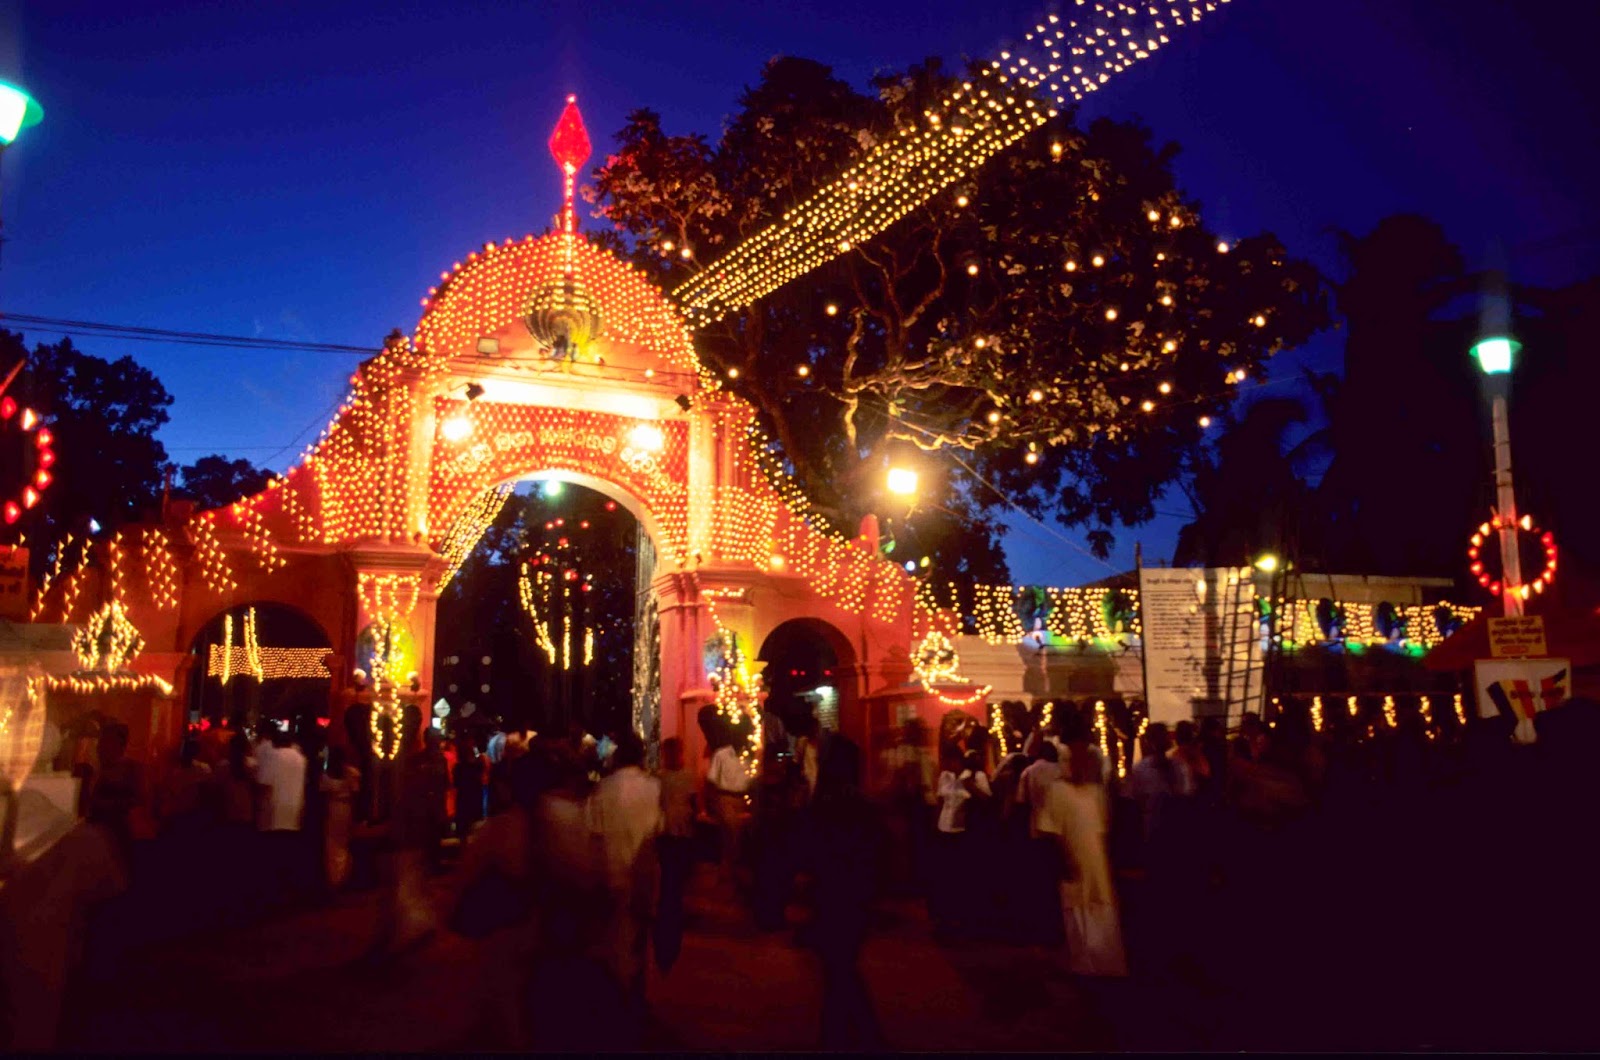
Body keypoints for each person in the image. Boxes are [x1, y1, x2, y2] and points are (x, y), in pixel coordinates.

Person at [808, 735, 886, 1049]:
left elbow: (812, 849)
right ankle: (846, 1032)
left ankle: (851, 1034)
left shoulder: (825, 802)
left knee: (838, 967)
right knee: (841, 964)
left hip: (832, 894)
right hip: (856, 895)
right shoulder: (862, 803)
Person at [587, 730, 662, 1032]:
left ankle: (614, 1000)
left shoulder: (603, 789)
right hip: (643, 874)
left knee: (612, 939)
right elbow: (660, 830)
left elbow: (593, 834)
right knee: (640, 939)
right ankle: (636, 999)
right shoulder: (654, 788)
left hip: (610, 871)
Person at [1046, 716, 1127, 976]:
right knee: (1079, 921)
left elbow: (1103, 834)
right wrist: (1066, 863)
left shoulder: (1096, 794)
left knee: (1103, 919)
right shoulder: (1057, 791)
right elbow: (1052, 835)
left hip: (1098, 872)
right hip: (1075, 872)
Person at [932, 748, 990, 939]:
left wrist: (969, 785)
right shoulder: (945, 777)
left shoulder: (975, 776)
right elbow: (941, 802)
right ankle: (945, 919)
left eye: (951, 761)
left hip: (963, 834)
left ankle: (963, 920)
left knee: (961, 878)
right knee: (945, 878)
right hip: (944, 830)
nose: (949, 765)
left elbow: (987, 800)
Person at [252, 722, 307, 906]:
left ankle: (272, 895)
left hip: (273, 813)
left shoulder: (273, 757)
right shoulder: (300, 758)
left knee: (272, 857)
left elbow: (264, 784)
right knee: (287, 854)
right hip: (293, 811)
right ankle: (288, 892)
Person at [654, 736, 696, 974]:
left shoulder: (667, 777)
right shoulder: (662, 778)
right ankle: (673, 908)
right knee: (672, 875)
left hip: (678, 830)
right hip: (670, 831)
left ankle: (672, 907)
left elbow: (692, 801)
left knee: (675, 875)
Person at [85, 721, 145, 870]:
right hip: (96, 833)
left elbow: (139, 799)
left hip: (117, 832)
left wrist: (107, 804)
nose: (101, 747)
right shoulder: (94, 768)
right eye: (101, 741)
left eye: (106, 741)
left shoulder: (131, 768)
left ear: (120, 745)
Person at [705, 719, 753, 889]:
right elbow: (711, 781)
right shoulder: (721, 754)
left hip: (743, 800)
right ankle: (730, 872)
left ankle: (728, 871)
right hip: (725, 799)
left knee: (735, 837)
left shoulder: (750, 756)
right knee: (732, 832)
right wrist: (710, 805)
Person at [320, 745, 361, 890]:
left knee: (332, 844)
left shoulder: (326, 776)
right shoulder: (351, 773)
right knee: (343, 843)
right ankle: (341, 878)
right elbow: (356, 795)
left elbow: (324, 798)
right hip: (345, 808)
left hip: (334, 809)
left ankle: (335, 880)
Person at [453, 731, 486, 841]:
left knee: (464, 828)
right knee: (474, 826)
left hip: (463, 798)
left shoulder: (458, 767)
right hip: (474, 796)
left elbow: (456, 783)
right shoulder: (478, 764)